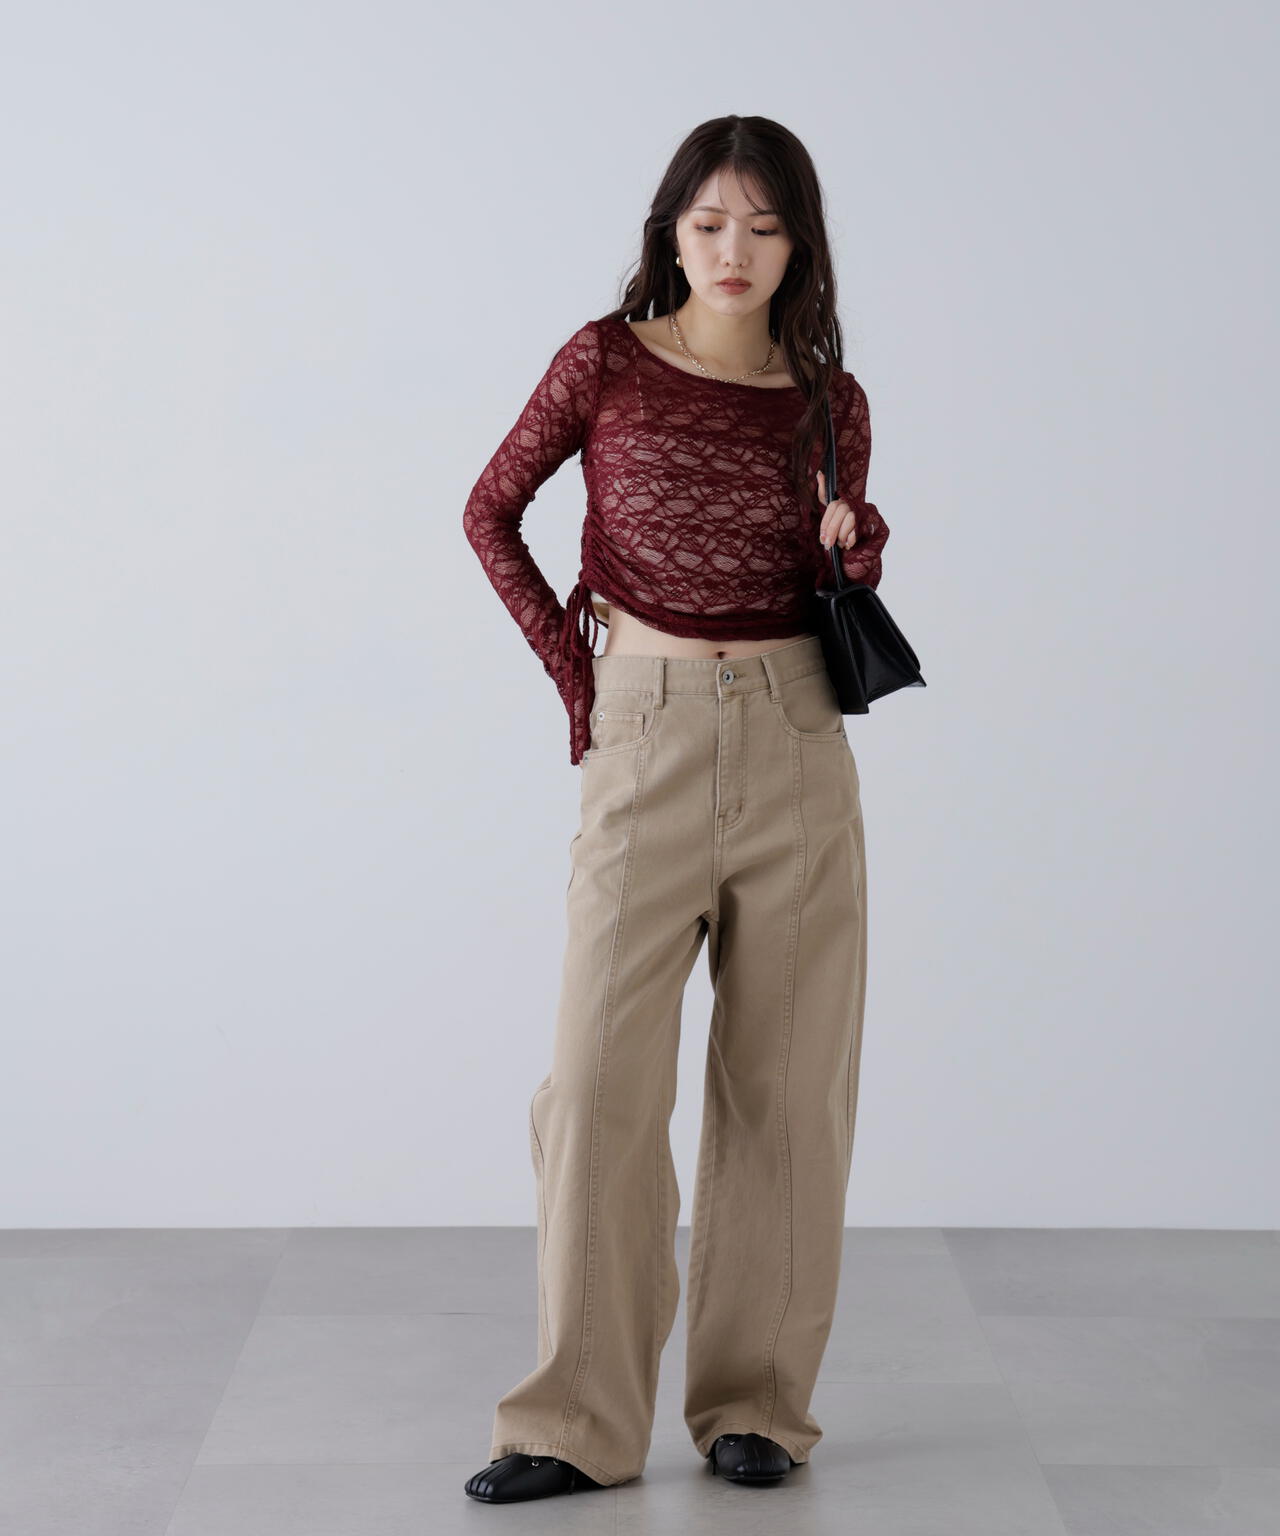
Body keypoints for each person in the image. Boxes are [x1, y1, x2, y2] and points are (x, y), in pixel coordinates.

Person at [460, 114, 890, 1503]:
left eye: (764, 226)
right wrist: (579, 678)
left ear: (800, 245)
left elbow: (839, 574)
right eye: (710, 223)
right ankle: (571, 1422)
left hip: (796, 741)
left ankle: (757, 1407)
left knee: (787, 1090)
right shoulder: (604, 361)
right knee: (597, 1083)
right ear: (670, 231)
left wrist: (856, 545)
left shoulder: (830, 400)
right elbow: (489, 511)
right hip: (643, 731)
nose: (733, 250)